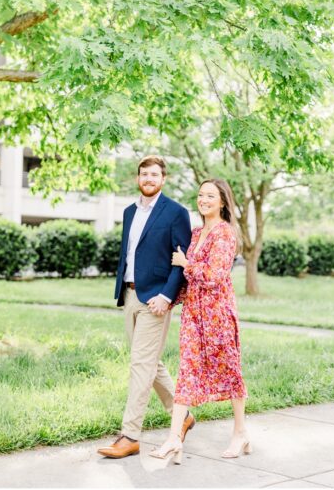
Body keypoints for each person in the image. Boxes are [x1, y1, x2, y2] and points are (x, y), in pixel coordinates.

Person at [98, 155, 195, 459]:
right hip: (129, 295)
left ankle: (130, 436)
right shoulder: (129, 212)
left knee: (140, 365)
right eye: (144, 174)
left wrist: (167, 296)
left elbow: (180, 260)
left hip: (156, 300)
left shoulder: (176, 213)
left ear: (163, 179)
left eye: (154, 174)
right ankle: (184, 415)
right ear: (138, 178)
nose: (149, 179)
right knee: (148, 362)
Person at [150, 178, 249, 464]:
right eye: (200, 195)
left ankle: (240, 432)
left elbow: (215, 276)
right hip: (193, 315)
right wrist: (168, 298)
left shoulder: (225, 233)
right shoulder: (196, 233)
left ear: (222, 201)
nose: (204, 199)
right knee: (188, 371)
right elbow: (190, 279)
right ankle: (173, 438)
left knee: (230, 372)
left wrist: (186, 264)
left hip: (218, 314)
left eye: (210, 195)